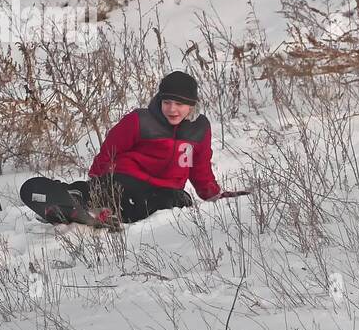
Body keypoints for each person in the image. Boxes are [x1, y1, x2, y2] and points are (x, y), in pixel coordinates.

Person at [67, 71, 243, 225]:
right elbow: (109, 150)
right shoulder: (140, 120)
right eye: (167, 102)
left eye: (179, 104)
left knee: (178, 201)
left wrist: (215, 196)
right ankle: (72, 198)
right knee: (118, 190)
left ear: (191, 105)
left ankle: (110, 215)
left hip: (164, 190)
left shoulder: (199, 130)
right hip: (128, 179)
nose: (172, 109)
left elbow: (200, 169)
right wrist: (95, 182)